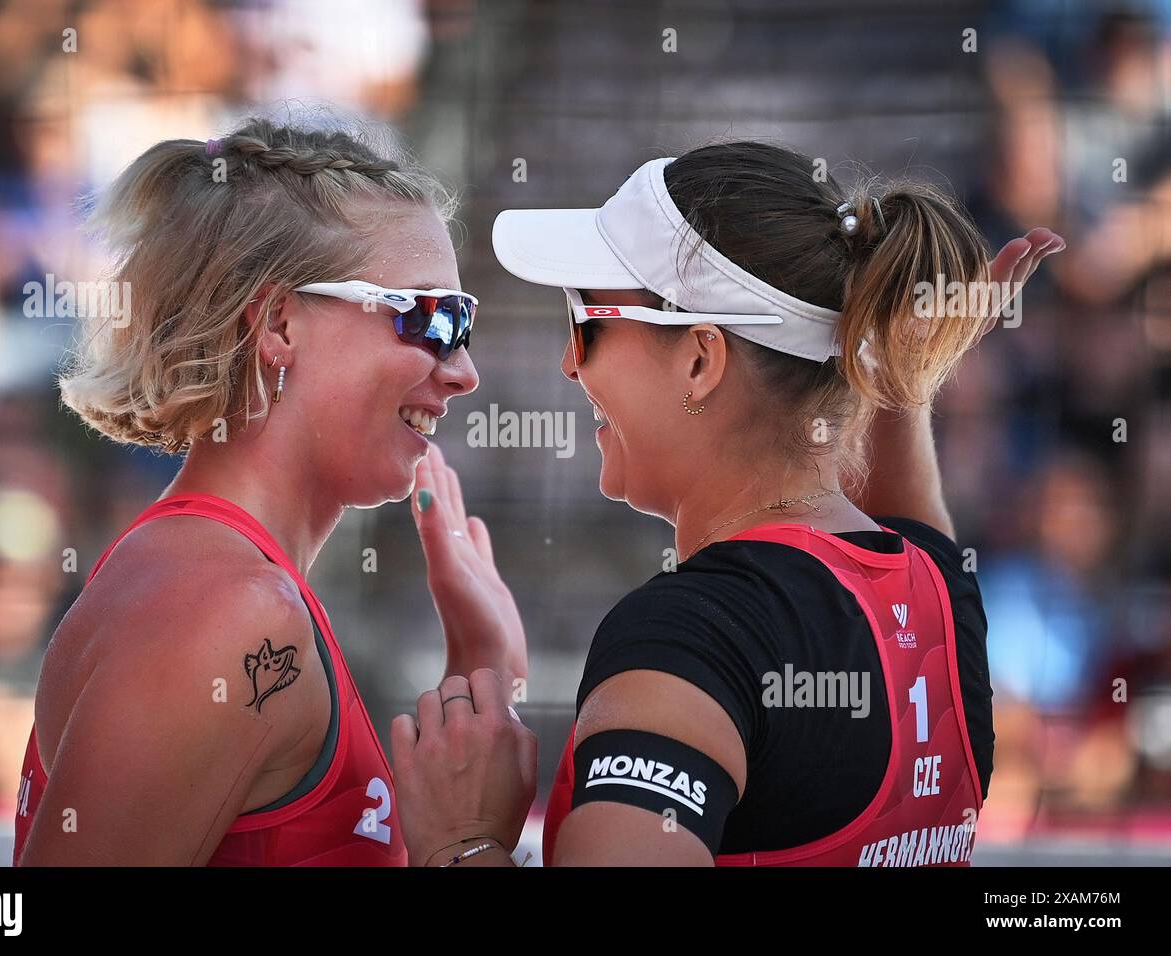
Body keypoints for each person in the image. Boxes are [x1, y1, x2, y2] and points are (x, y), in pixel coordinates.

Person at [390, 141, 1065, 867]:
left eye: (587, 319)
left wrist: (461, 845)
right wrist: (904, 366)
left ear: (701, 360)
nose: (567, 360)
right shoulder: (939, 588)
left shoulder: (692, 637)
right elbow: (908, 518)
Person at [14, 115, 529, 866]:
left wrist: (483, 667)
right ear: (281, 322)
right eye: (430, 317)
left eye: (465, 323)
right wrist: (463, 853)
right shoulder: (231, 613)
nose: (462, 371)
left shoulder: (224, 583)